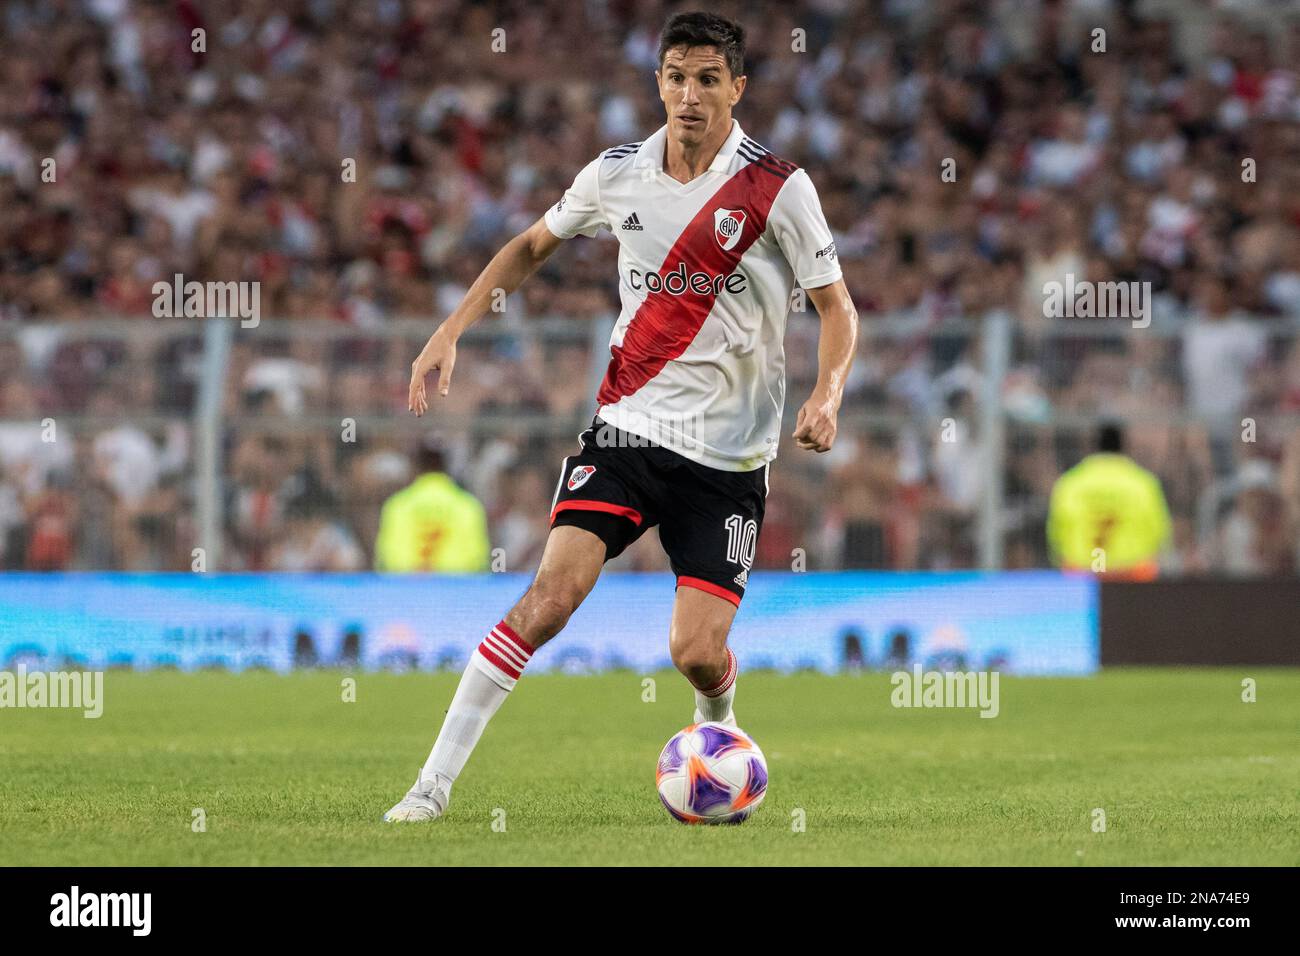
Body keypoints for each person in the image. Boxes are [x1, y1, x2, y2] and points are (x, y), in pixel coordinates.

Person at [384, 11, 858, 821]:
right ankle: (430, 788)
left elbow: (837, 308)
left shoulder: (778, 187)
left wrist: (827, 394)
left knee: (696, 653)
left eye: (709, 78)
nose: (690, 94)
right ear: (659, 84)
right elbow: (533, 245)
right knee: (549, 598)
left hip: (730, 463)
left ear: (737, 88)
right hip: (627, 431)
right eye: (676, 76)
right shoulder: (616, 173)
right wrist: (451, 328)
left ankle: (719, 712)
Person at [1046, 422, 1171, 580]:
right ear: (1123, 446)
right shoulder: (1143, 483)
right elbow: (1159, 533)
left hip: (1083, 574)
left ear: (1093, 446)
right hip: (1132, 575)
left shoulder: (1071, 483)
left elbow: (1056, 534)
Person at [373, 436, 490, 573]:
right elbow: (478, 560)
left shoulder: (397, 505)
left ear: (416, 466)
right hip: (456, 589)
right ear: (447, 465)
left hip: (406, 588)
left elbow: (387, 559)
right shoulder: (468, 505)